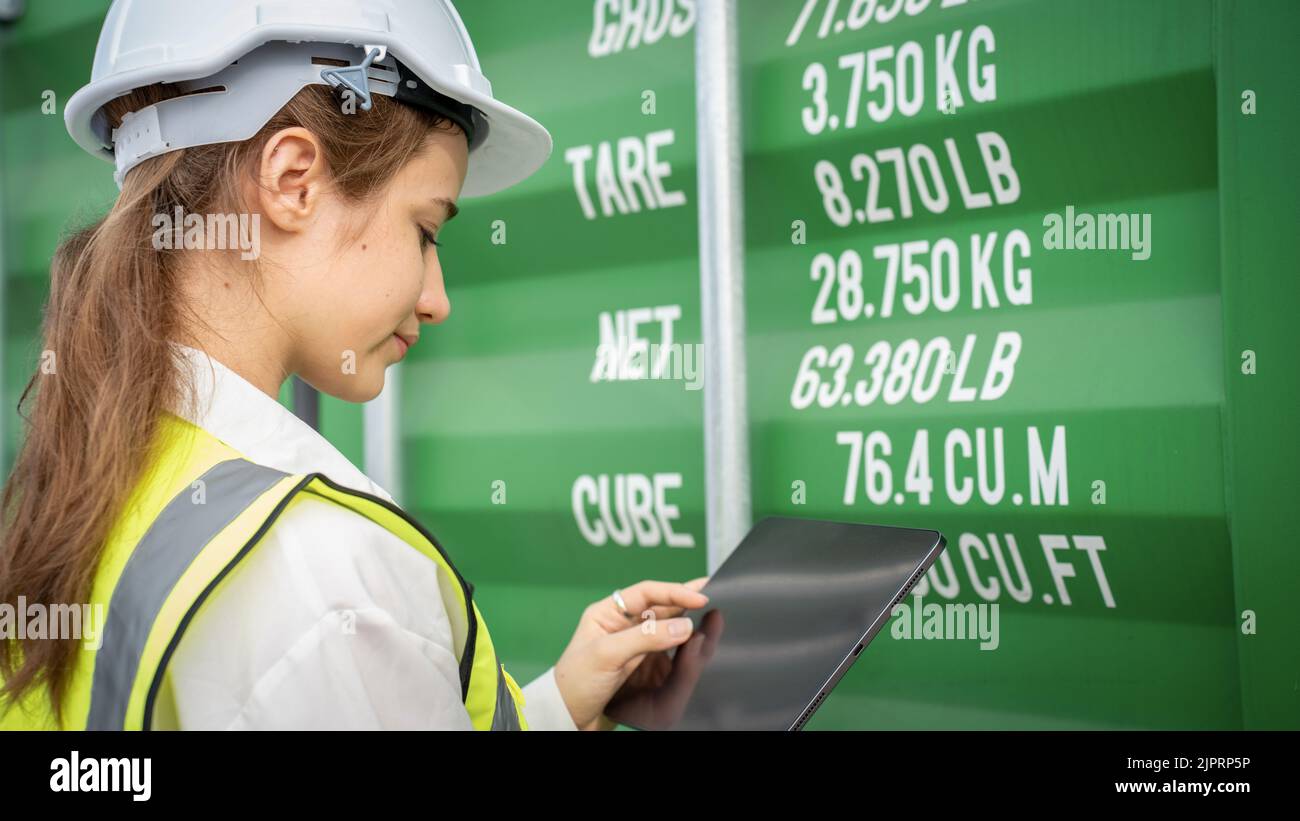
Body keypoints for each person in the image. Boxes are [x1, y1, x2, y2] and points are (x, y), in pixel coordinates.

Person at [0, 0, 709, 731]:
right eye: (426, 229)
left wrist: (557, 704)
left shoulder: (101, 483)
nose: (437, 300)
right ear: (294, 179)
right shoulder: (322, 577)